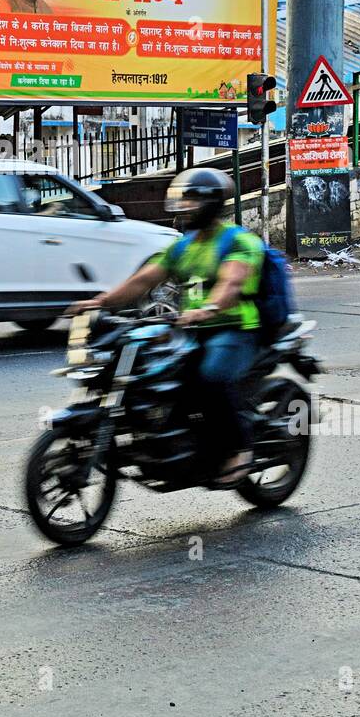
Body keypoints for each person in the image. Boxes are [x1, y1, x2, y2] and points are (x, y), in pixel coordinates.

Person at [71, 167, 264, 487]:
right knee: (151, 372)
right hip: (189, 329)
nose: (185, 207)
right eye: (183, 201)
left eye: (192, 201)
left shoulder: (238, 241)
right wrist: (100, 302)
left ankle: (240, 448)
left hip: (232, 329)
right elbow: (143, 280)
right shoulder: (183, 246)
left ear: (211, 204)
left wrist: (208, 309)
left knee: (211, 377)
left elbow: (231, 283)